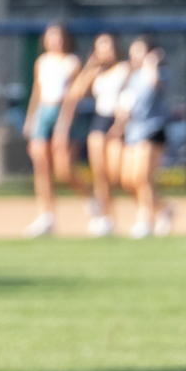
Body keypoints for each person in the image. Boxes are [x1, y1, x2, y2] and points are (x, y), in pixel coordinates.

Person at [22, 23, 94, 237]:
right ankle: (47, 216)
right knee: (41, 164)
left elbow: (72, 97)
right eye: (51, 37)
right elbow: (37, 91)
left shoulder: (72, 62)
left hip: (63, 113)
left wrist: (64, 124)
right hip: (44, 112)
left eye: (60, 37)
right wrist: (31, 117)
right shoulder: (42, 61)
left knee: (64, 168)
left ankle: (91, 200)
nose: (56, 41)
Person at [56, 33, 130, 237]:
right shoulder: (97, 71)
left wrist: (121, 124)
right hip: (100, 119)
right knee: (100, 174)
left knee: (116, 173)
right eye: (100, 47)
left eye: (108, 46)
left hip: (117, 120)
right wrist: (90, 66)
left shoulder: (124, 68)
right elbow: (76, 93)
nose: (105, 51)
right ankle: (107, 217)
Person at [110, 36, 173, 238]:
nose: (135, 57)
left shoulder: (158, 73)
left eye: (140, 52)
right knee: (128, 180)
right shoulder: (132, 77)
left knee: (142, 177)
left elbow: (154, 84)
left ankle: (145, 219)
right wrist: (119, 121)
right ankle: (163, 209)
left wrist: (152, 63)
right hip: (133, 132)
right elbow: (125, 104)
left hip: (152, 130)